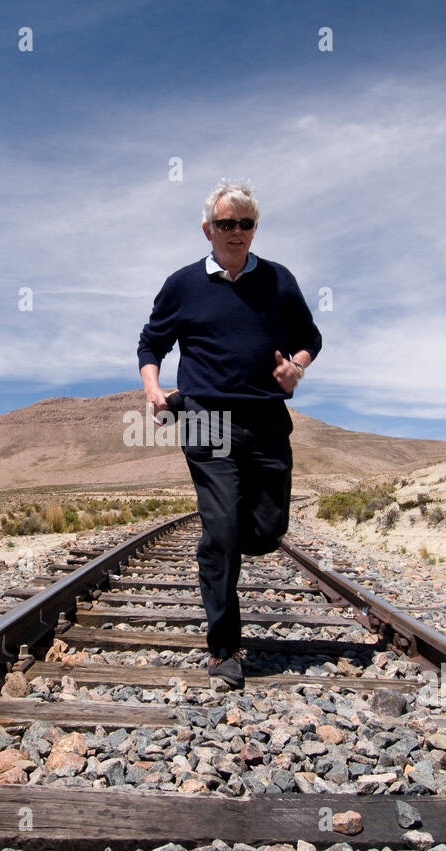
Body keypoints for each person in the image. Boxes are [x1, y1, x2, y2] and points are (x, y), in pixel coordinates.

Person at [137, 179, 322, 690]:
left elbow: (310, 338)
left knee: (267, 530)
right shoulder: (182, 284)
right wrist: (155, 388)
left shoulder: (279, 280)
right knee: (221, 534)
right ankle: (223, 648)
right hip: (205, 418)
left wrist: (297, 368)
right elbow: (151, 343)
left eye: (244, 224)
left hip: (266, 419)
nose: (235, 232)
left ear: (253, 228)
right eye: (226, 223)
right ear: (207, 230)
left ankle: (224, 538)